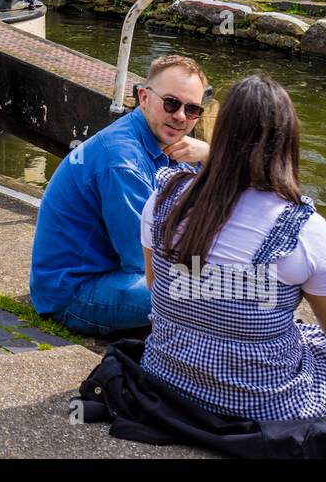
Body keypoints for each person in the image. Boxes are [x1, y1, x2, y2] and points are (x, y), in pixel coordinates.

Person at [141, 75, 326, 422]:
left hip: (166, 379)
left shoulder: (165, 198)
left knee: (297, 331)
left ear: (220, 134)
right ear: (288, 141)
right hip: (261, 403)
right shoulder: (302, 228)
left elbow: (156, 287)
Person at [30, 54, 211, 335]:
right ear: (143, 97)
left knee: (218, 282)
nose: (180, 117)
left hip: (108, 273)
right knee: (207, 295)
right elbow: (143, 262)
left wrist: (211, 155)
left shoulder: (163, 141)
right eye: (171, 103)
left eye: (192, 110)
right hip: (74, 293)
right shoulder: (122, 163)